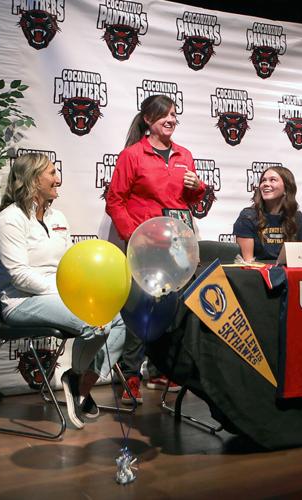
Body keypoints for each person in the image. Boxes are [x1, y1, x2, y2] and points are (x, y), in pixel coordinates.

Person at [0, 153, 125, 430]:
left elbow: (70, 265)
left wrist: (84, 288)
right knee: (93, 320)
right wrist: (67, 293)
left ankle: (80, 384)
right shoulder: (8, 220)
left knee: (118, 318)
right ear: (32, 179)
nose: (58, 179)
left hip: (59, 295)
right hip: (21, 302)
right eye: (52, 173)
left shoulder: (58, 217)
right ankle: (75, 381)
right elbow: (19, 276)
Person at [106, 95, 205, 399]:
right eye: (164, 115)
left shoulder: (184, 155)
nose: (171, 119)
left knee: (172, 306)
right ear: (148, 119)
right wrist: (134, 235)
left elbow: (188, 201)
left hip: (178, 244)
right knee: (143, 307)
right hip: (146, 245)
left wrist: (198, 188)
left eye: (174, 114)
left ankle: (160, 370)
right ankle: (130, 374)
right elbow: (115, 200)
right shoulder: (132, 155)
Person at [233, 166, 302, 261]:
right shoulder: (248, 216)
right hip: (257, 269)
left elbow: (298, 258)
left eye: (273, 180)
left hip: (287, 269)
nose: (266, 184)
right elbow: (248, 262)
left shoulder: (296, 216)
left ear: (286, 188)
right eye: (263, 180)